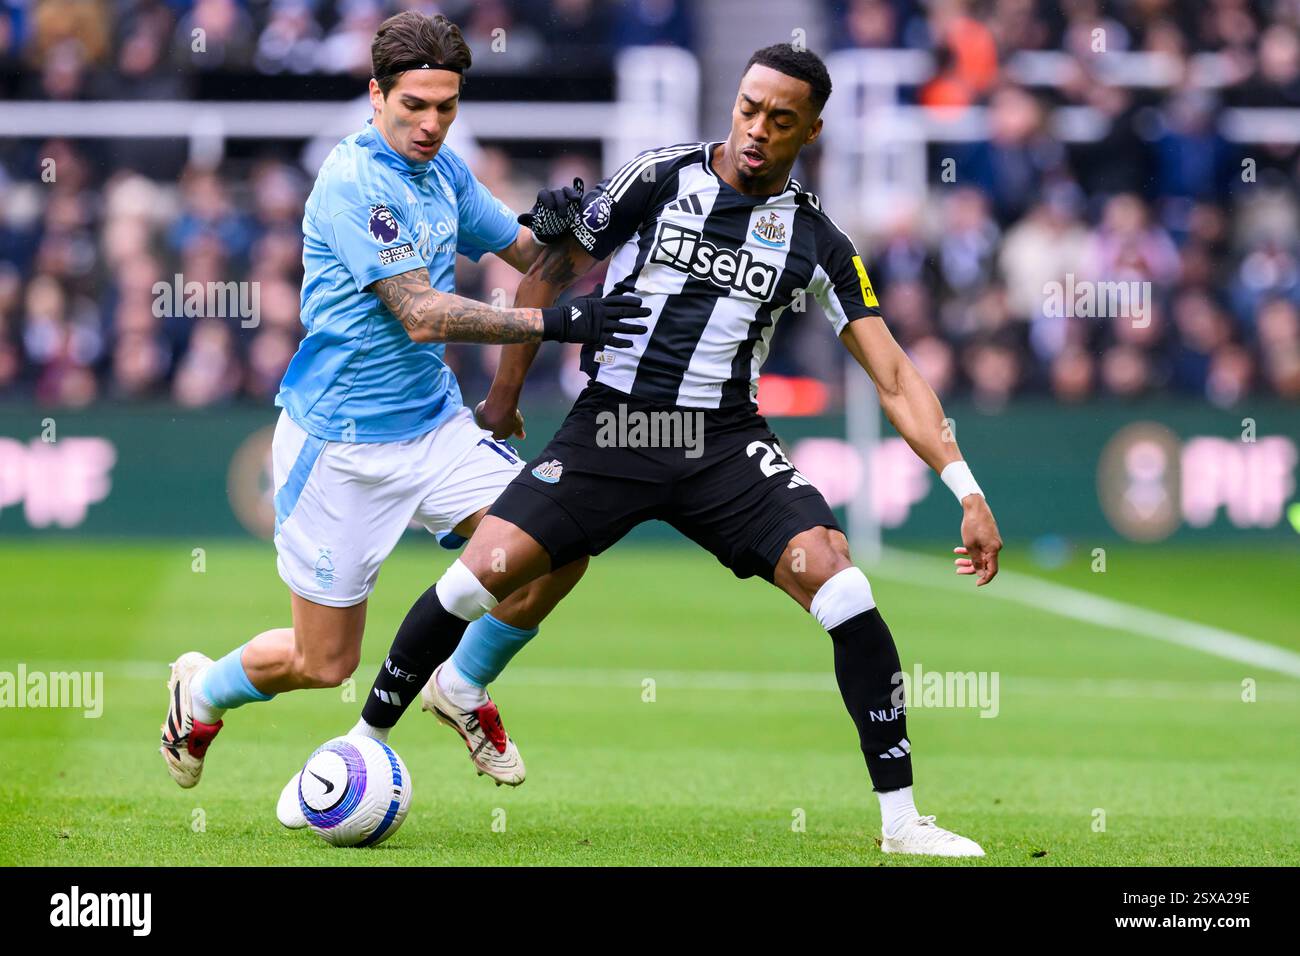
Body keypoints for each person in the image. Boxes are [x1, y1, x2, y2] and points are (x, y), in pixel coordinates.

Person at [159, 11, 648, 795]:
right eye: (413, 105)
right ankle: (203, 692)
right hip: (341, 447)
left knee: (560, 545)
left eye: (445, 106)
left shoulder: (445, 171)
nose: (429, 123)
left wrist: (571, 228)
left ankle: (459, 686)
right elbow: (421, 312)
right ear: (375, 94)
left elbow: (531, 254)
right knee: (324, 663)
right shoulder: (353, 182)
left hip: (434, 429)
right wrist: (556, 322)